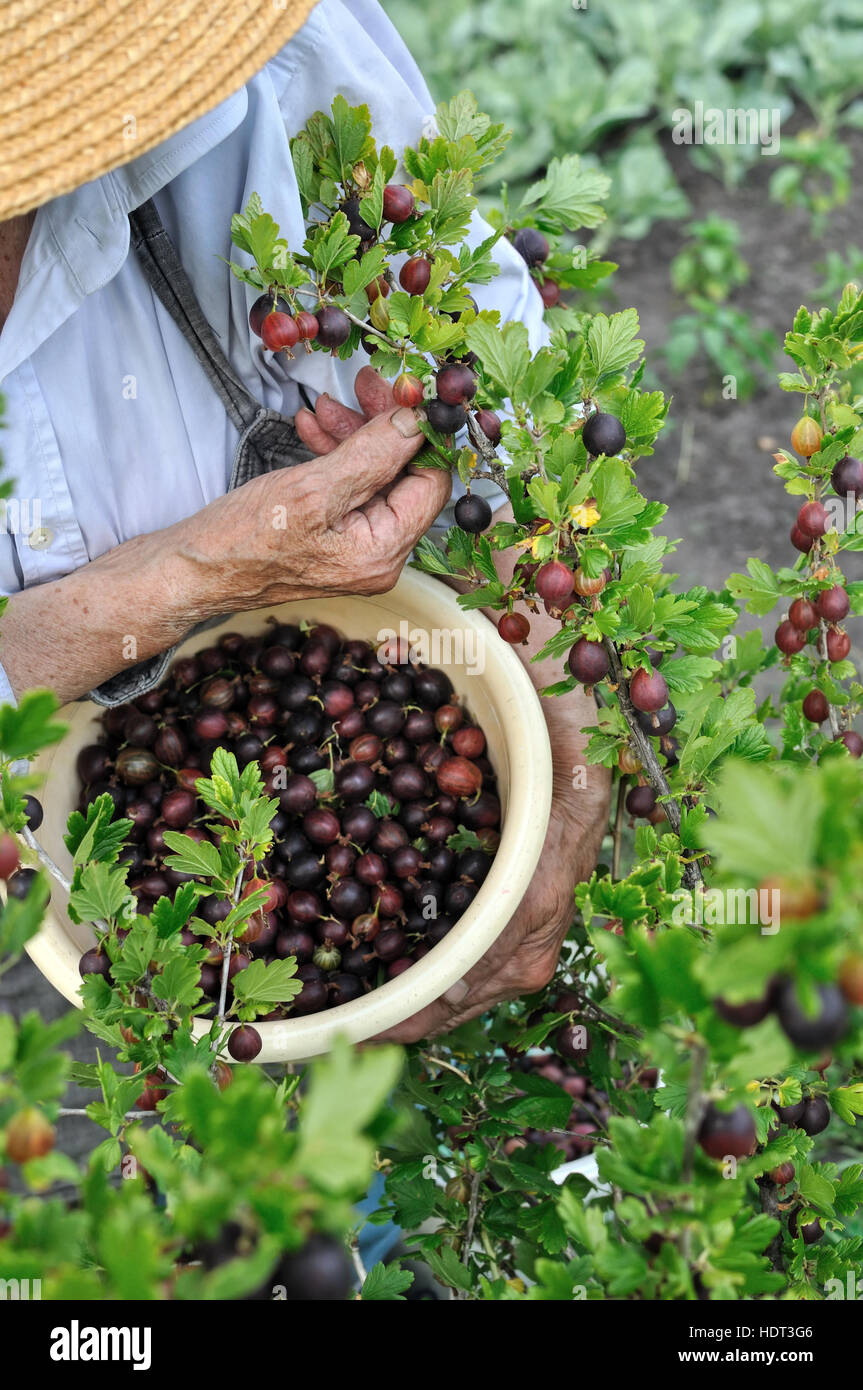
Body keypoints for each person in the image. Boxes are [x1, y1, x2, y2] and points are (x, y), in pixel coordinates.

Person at [0, 0, 609, 1044]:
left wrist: (566, 721)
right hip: (47, 875)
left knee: (504, 1056)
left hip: (414, 635)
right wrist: (177, 583)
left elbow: (468, 345)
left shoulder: (224, 45)